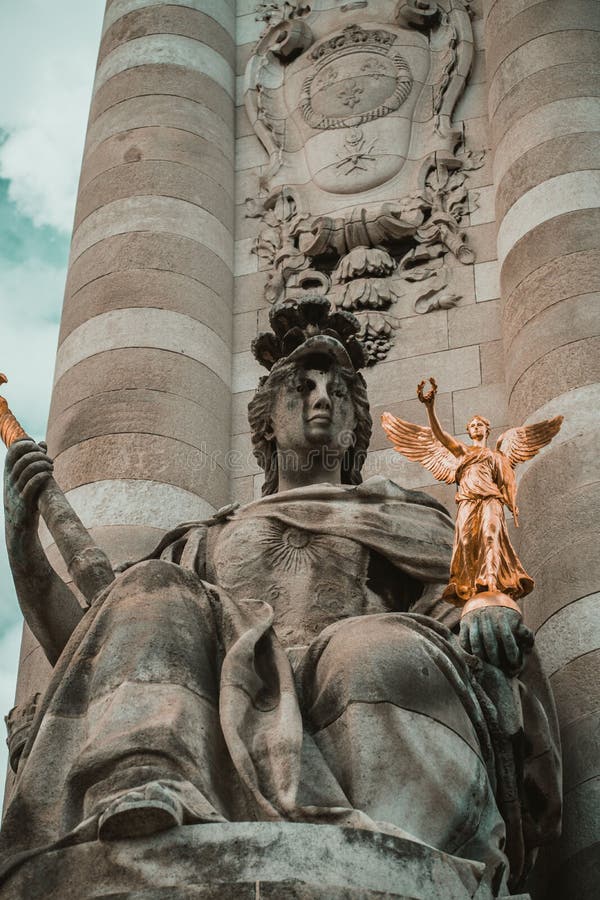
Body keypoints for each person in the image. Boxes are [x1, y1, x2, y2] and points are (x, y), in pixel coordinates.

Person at [0, 301, 560, 893]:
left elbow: (459, 606)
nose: (322, 398)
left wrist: (487, 617)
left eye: (337, 393)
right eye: (302, 387)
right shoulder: (205, 538)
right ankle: (145, 787)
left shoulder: (406, 517)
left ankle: (388, 847)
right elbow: (96, 646)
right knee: (149, 586)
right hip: (229, 694)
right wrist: (23, 547)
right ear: (267, 422)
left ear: (354, 431)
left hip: (356, 662)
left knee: (366, 651)